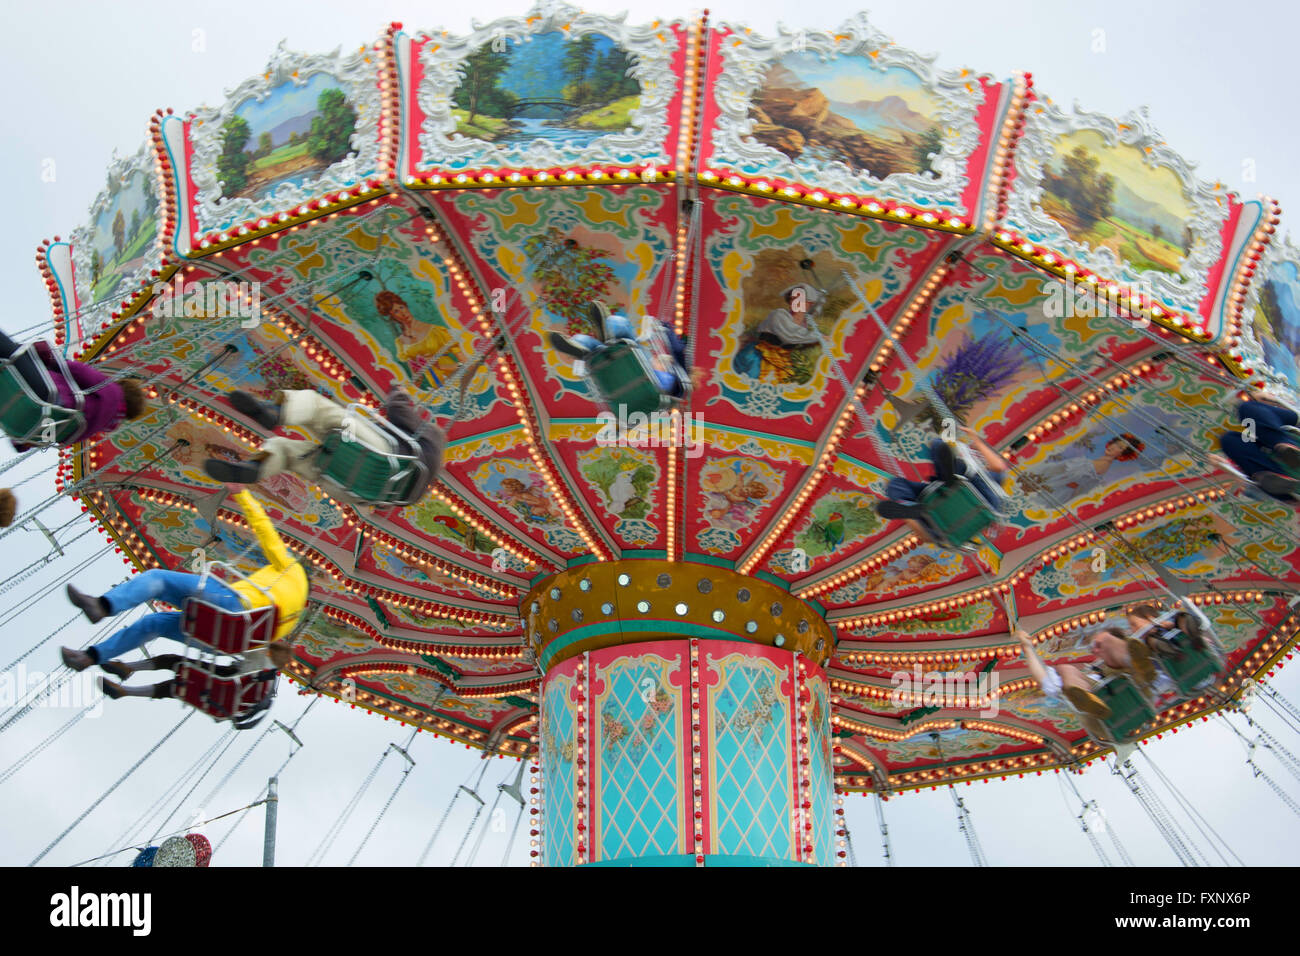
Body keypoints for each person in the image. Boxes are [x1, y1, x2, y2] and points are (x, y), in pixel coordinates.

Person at [59, 486, 308, 671]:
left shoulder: (292, 568)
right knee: (155, 624)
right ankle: (89, 658)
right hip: (220, 643)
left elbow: (267, 534)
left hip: (230, 609)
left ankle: (103, 605)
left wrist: (242, 494)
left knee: (158, 580)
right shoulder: (292, 618)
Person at [0, 331, 147, 527]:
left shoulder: (112, 393)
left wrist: (51, 360)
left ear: (124, 388)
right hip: (26, 422)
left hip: (44, 395)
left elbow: (78, 371)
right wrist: (25, 441)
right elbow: (59, 435)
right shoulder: (95, 427)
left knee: (13, 351)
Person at [200, 388, 444, 503]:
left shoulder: (430, 436)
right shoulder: (421, 482)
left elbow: (398, 410)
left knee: (317, 407)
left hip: (376, 454)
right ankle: (255, 468)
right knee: (288, 453)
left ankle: (276, 412)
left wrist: (398, 393)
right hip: (353, 490)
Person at [1015, 623, 1166, 743]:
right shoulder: (1092, 677)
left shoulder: (1121, 666)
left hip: (1133, 694)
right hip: (1105, 715)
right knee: (1066, 670)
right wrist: (1028, 648)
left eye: (1097, 646)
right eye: (1093, 648)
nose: (1094, 651)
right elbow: (1046, 681)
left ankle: (1136, 665)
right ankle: (1086, 697)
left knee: (1115, 657)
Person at [874, 428, 1009, 545]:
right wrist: (910, 518)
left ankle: (916, 507)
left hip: (966, 501)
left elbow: (999, 467)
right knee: (896, 486)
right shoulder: (988, 485)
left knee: (895, 486)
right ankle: (921, 504)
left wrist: (976, 440)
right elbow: (928, 538)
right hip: (955, 507)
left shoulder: (987, 481)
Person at [550, 302, 689, 398]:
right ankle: (585, 346)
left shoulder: (671, 381)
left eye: (659, 361)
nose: (656, 359)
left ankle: (604, 336)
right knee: (592, 346)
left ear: (667, 368)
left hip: (636, 372)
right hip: (618, 372)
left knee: (619, 324)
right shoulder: (667, 385)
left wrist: (667, 328)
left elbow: (678, 351)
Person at [98, 641, 292, 703]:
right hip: (225, 695)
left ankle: (128, 668)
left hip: (223, 679)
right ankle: (125, 690)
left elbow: (239, 644)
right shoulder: (268, 678)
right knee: (175, 688)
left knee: (172, 661)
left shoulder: (263, 656)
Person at [1211, 387, 1300, 500]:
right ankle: (1283, 448)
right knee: (1229, 439)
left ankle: (1282, 450)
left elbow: (1251, 491)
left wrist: (1230, 470)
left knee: (1245, 411)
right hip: (1277, 457)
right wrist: (1273, 401)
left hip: (1283, 471)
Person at [1020, 433, 1145, 505]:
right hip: (1057, 485)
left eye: (1120, 448)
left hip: (1057, 489)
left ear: (1122, 454)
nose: (1114, 447)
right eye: (1116, 443)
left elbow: (1071, 475)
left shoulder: (1100, 465)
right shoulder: (1098, 462)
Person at [735, 284, 824, 383]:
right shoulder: (779, 315)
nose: (794, 302)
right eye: (792, 298)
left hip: (783, 360)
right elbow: (791, 335)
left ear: (809, 303)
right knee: (753, 378)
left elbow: (800, 341)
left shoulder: (805, 325)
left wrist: (816, 341)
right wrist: (820, 337)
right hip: (761, 356)